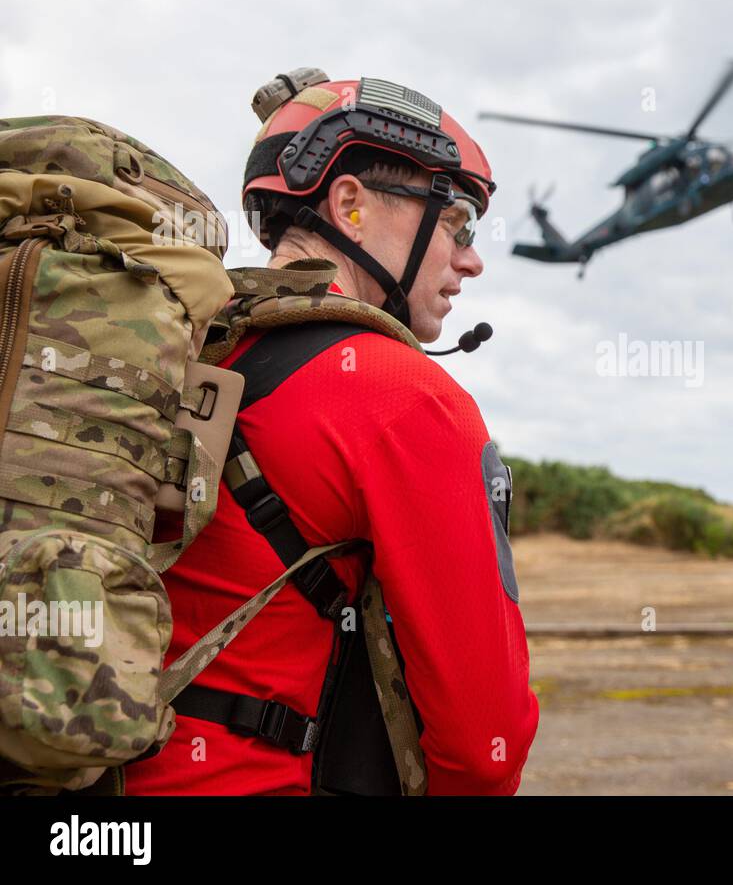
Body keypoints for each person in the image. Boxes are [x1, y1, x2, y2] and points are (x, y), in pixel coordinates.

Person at [127, 68, 538, 795]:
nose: (471, 259)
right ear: (348, 205)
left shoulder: (185, 357)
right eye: (456, 223)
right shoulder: (405, 397)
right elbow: (487, 746)